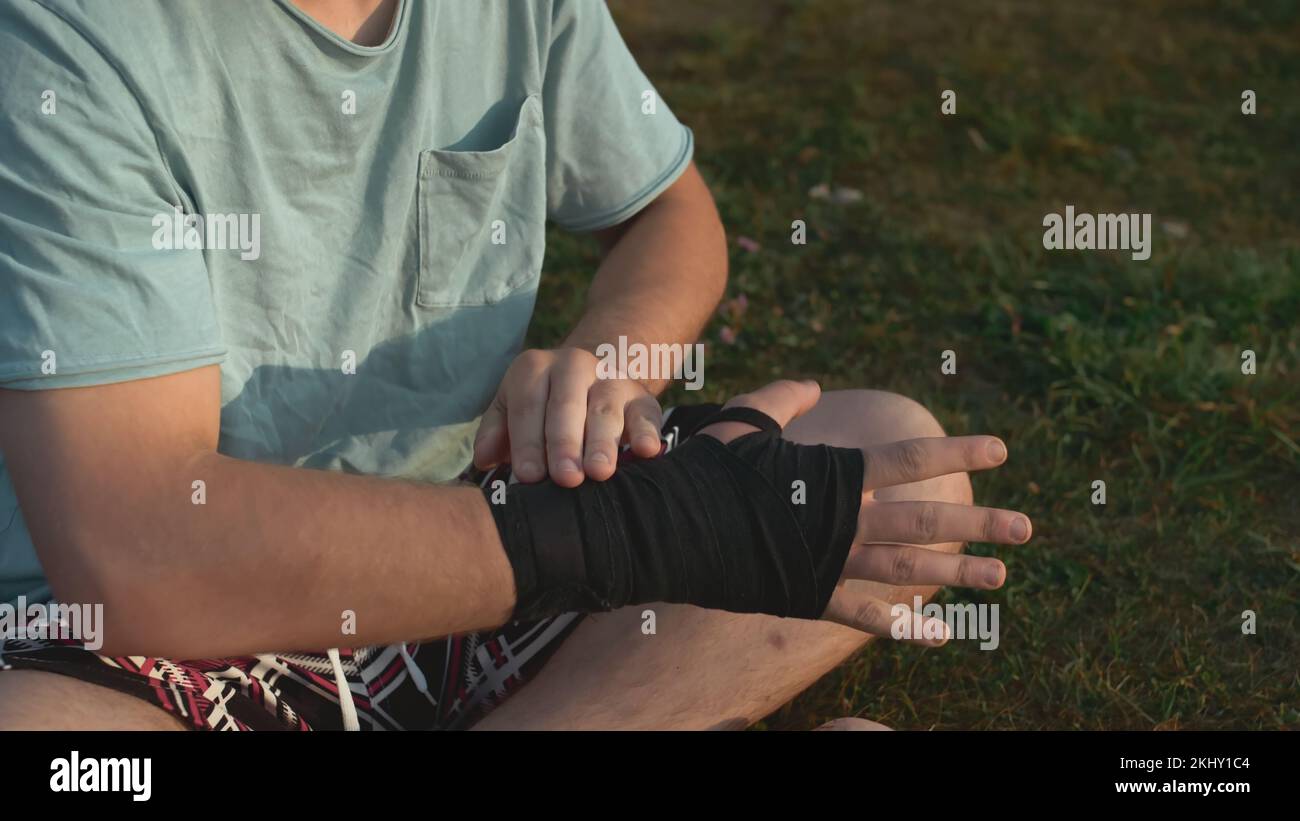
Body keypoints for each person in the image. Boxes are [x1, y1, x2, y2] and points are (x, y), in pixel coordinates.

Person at [0, 0, 1032, 730]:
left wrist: (608, 363)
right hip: (138, 638)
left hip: (466, 548)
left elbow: (668, 216)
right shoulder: (66, 33)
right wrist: (646, 528)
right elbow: (136, 549)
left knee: (892, 460)